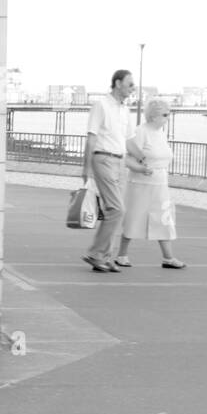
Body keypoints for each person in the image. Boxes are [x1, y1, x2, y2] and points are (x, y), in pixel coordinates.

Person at [116, 98, 187, 269]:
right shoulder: (141, 132)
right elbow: (126, 156)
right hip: (140, 183)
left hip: (160, 183)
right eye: (165, 114)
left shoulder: (161, 133)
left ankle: (168, 258)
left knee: (163, 218)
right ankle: (121, 255)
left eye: (168, 114)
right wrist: (140, 169)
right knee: (134, 217)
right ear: (153, 116)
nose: (168, 117)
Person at [81, 70, 135, 272]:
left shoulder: (125, 110)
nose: (133, 88)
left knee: (116, 210)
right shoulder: (101, 105)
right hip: (103, 158)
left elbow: (128, 140)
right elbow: (92, 136)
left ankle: (104, 256)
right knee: (117, 208)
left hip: (120, 162)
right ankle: (95, 253)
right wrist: (86, 167)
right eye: (130, 84)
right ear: (118, 83)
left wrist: (143, 159)